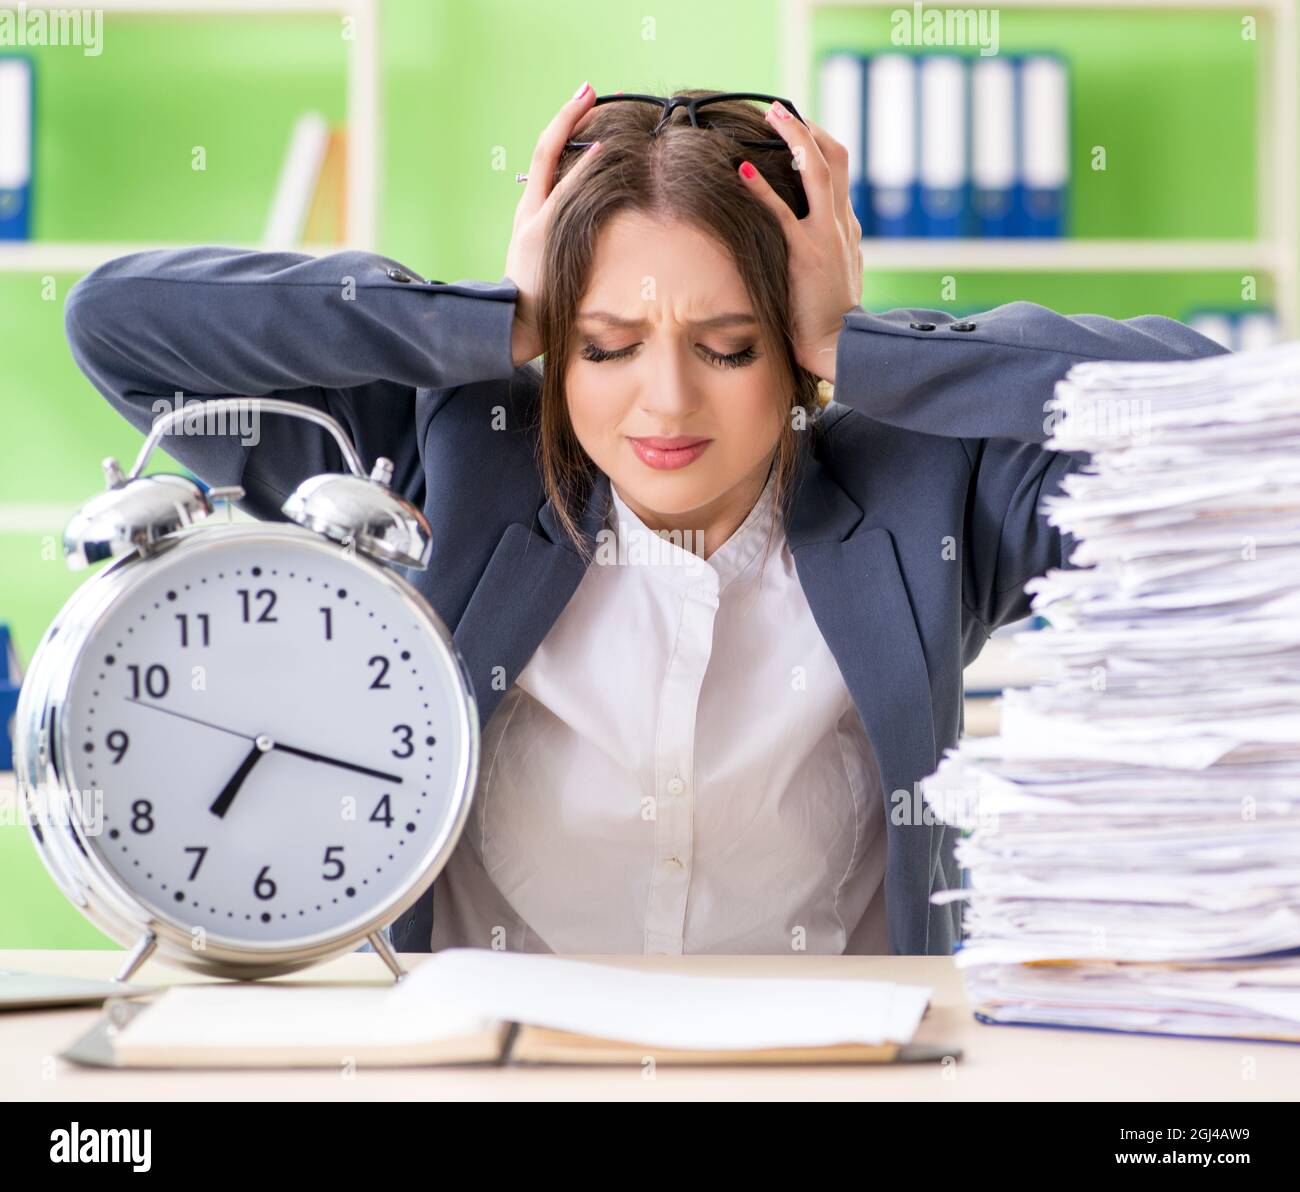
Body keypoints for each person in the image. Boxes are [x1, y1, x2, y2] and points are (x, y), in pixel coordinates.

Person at [63, 85, 1230, 957]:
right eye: (605, 345)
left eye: (731, 347)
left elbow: (1215, 416)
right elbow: (121, 324)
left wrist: (862, 348)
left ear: (796, 351)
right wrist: (488, 322)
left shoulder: (930, 494)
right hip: (490, 1082)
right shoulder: (450, 455)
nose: (665, 402)